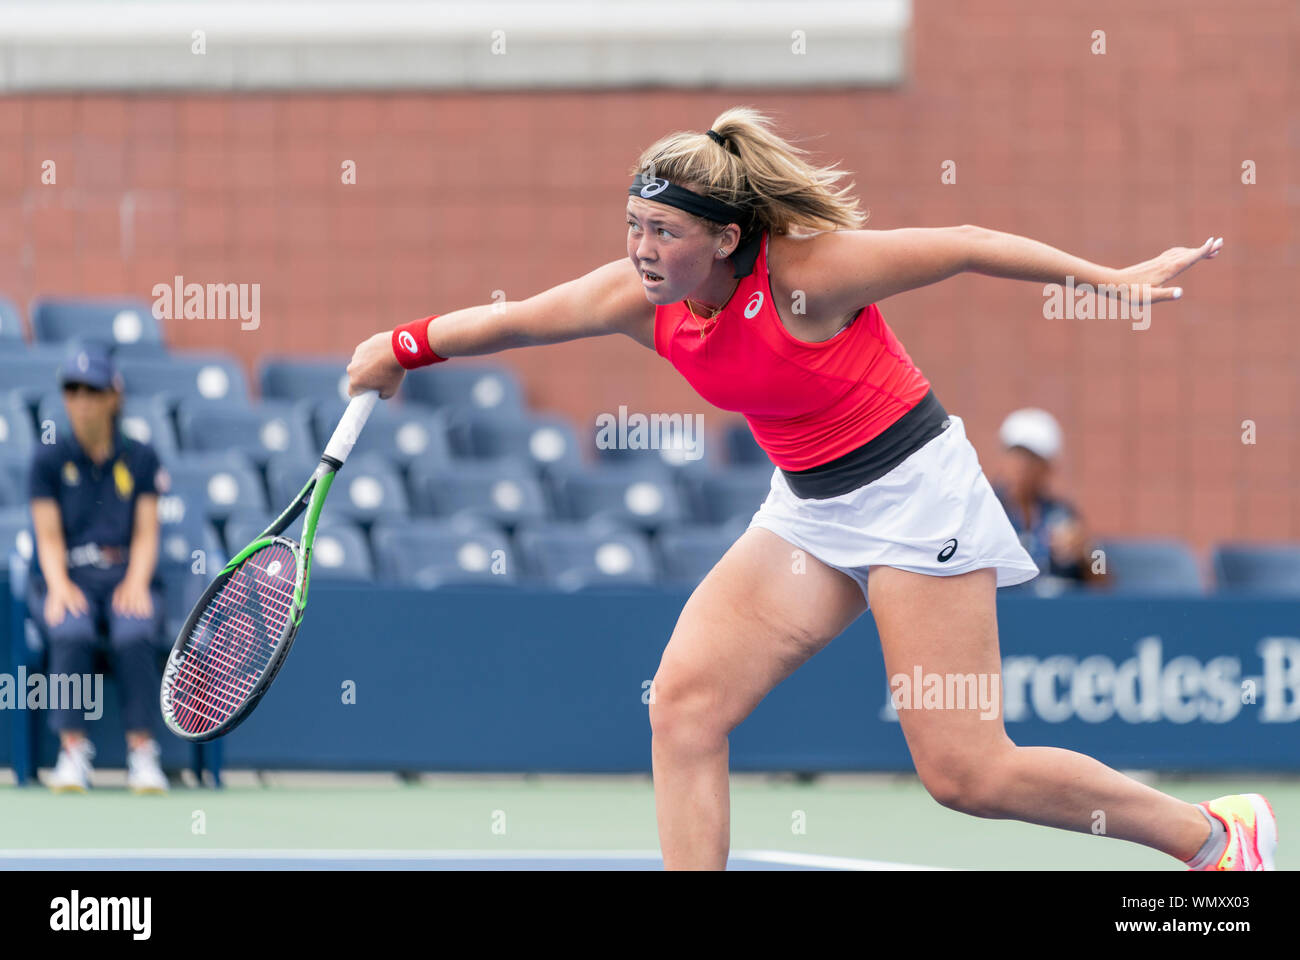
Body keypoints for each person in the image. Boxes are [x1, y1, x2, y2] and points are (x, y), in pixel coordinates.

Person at [344, 107, 1268, 870]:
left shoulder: (808, 278)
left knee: (967, 774)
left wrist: (1110, 280)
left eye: (664, 231)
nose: (642, 247)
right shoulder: (639, 297)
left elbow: (969, 243)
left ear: (727, 238)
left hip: (915, 499)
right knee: (685, 706)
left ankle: (1214, 837)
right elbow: (513, 322)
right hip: (810, 508)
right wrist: (400, 346)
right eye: (633, 224)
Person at [27, 340, 169, 794]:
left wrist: (137, 580)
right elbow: (47, 537)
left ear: (114, 396)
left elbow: (147, 532)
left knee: (136, 630)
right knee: (70, 630)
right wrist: (58, 584)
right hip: (71, 576)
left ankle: (142, 754)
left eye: (91, 390)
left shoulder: (142, 457)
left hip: (125, 574)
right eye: (72, 391)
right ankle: (72, 753)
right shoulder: (47, 459)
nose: (81, 402)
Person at [991, 407, 1100, 593]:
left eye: (1032, 458)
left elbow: (1105, 574)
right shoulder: (984, 510)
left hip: (1055, 617)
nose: (1021, 466)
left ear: (1048, 467)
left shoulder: (1062, 512)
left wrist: (1088, 551)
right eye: (1015, 455)